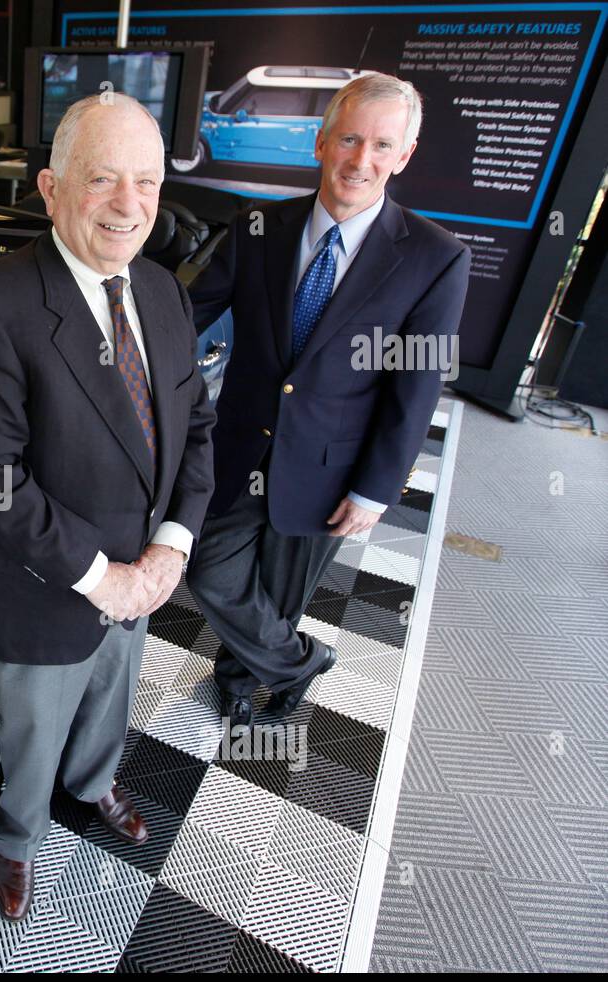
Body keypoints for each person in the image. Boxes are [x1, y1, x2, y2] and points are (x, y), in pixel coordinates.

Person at [0, 93, 216, 921]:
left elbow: (195, 425)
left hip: (143, 573)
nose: (131, 206)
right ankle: (18, 837)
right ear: (51, 189)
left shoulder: (164, 292)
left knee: (112, 698)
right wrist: (104, 579)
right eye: (103, 180)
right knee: (32, 724)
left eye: (148, 182)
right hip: (45, 584)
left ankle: (94, 783)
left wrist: (170, 547)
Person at [186, 73, 470, 728]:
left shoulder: (434, 258)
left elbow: (415, 387)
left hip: (331, 469)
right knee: (211, 572)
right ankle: (302, 663)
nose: (360, 160)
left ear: (403, 155)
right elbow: (189, 309)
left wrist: (376, 488)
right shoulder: (259, 225)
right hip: (239, 449)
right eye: (348, 138)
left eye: (380, 145)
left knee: (281, 592)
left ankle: (241, 676)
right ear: (321, 142)